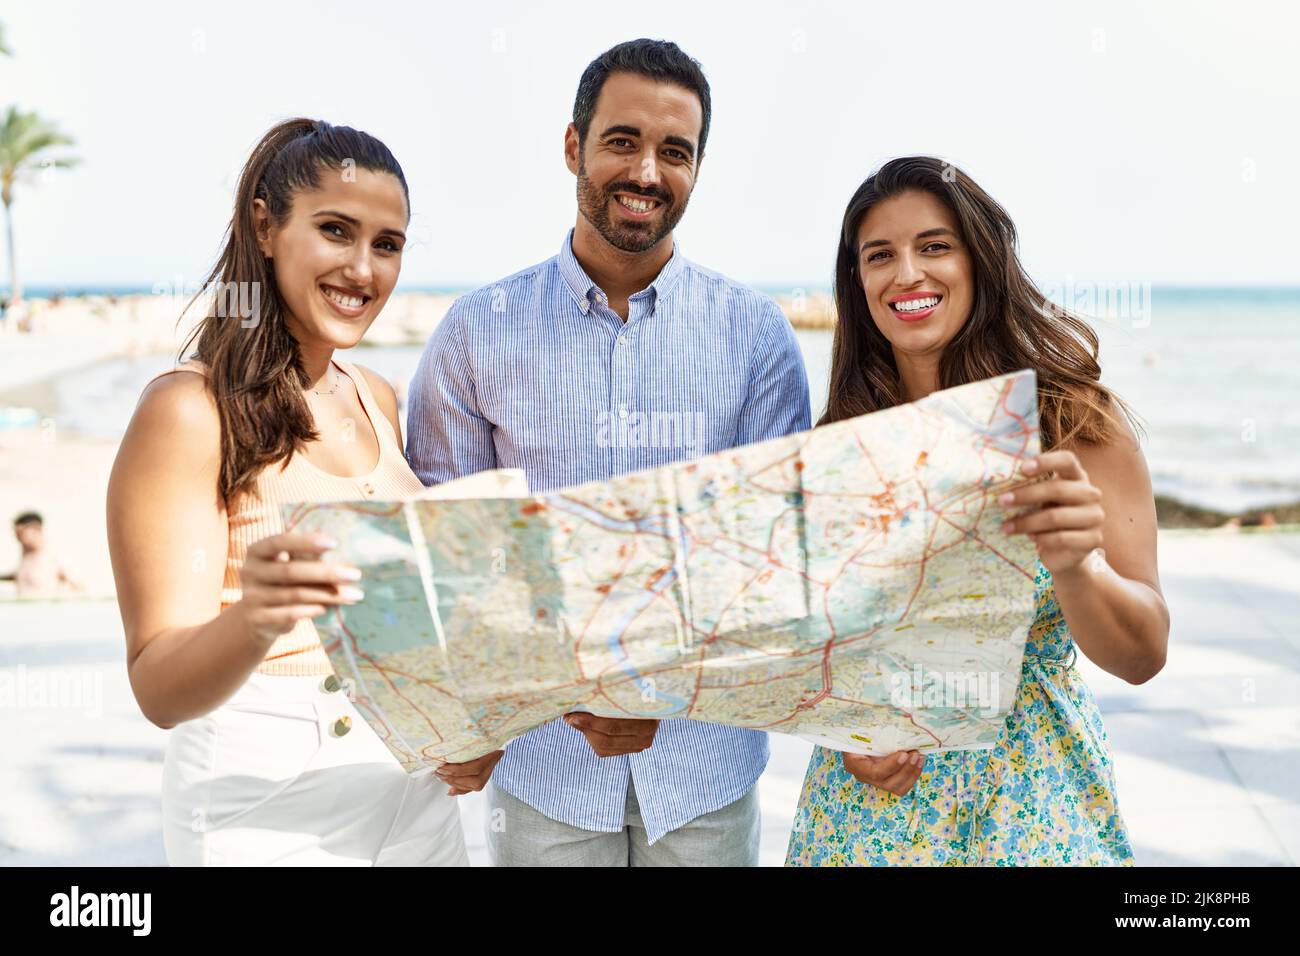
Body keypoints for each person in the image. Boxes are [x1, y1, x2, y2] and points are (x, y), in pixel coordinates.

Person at [407, 38, 811, 866]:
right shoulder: (478, 333)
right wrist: (470, 723)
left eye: (676, 152)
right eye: (623, 141)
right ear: (573, 147)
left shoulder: (756, 335)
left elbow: (772, 561)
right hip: (540, 770)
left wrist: (668, 692)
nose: (647, 173)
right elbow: (451, 558)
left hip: (706, 768)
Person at [786, 156, 1170, 866]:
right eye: (880, 256)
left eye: (934, 246)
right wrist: (850, 735)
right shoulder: (841, 442)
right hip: (869, 819)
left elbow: (1144, 655)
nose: (906, 274)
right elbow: (827, 654)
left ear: (980, 259)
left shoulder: (1075, 420)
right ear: (858, 282)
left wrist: (1077, 568)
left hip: (1032, 798)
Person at [106, 118, 468, 866]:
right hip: (265, 805)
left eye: (388, 244)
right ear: (267, 227)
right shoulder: (187, 411)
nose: (364, 270)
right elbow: (158, 689)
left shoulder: (377, 396)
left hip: (415, 796)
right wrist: (259, 617)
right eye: (336, 230)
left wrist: (474, 727)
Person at [1, 511, 83, 595]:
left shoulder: (54, 557)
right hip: (24, 606)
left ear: (36, 529)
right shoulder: (26, 556)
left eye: (21, 534)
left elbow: (79, 586)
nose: (18, 539)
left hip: (44, 606)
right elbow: (25, 575)